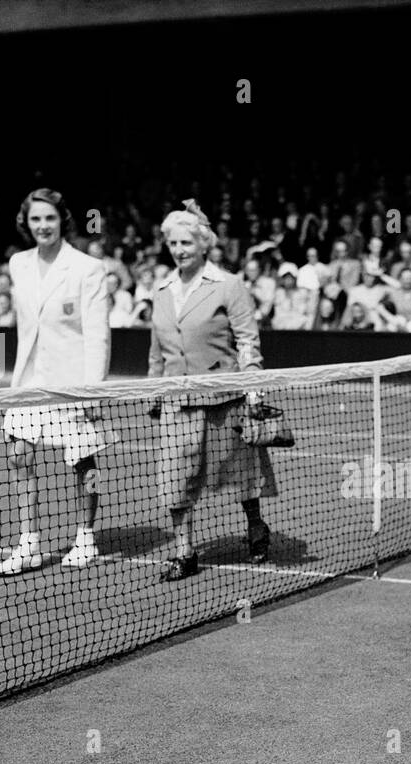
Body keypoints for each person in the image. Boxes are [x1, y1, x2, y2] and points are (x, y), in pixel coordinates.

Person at [148, 200, 277, 581]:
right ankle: (183, 552)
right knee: (175, 479)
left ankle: (256, 525)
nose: (179, 250)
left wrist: (254, 390)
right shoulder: (160, 290)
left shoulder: (228, 285)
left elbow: (247, 341)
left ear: (204, 244)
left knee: (241, 473)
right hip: (176, 400)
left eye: (186, 242)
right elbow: (157, 349)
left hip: (225, 397)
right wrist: (154, 390)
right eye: (173, 243)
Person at [0, 188, 110, 576]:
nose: (43, 225)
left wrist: (93, 389)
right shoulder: (17, 264)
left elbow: (97, 334)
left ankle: (85, 537)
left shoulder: (87, 268)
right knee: (18, 456)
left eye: (50, 218)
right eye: (36, 218)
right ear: (26, 222)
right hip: (29, 381)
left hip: (72, 383)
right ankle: (29, 544)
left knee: (83, 464)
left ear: (63, 221)